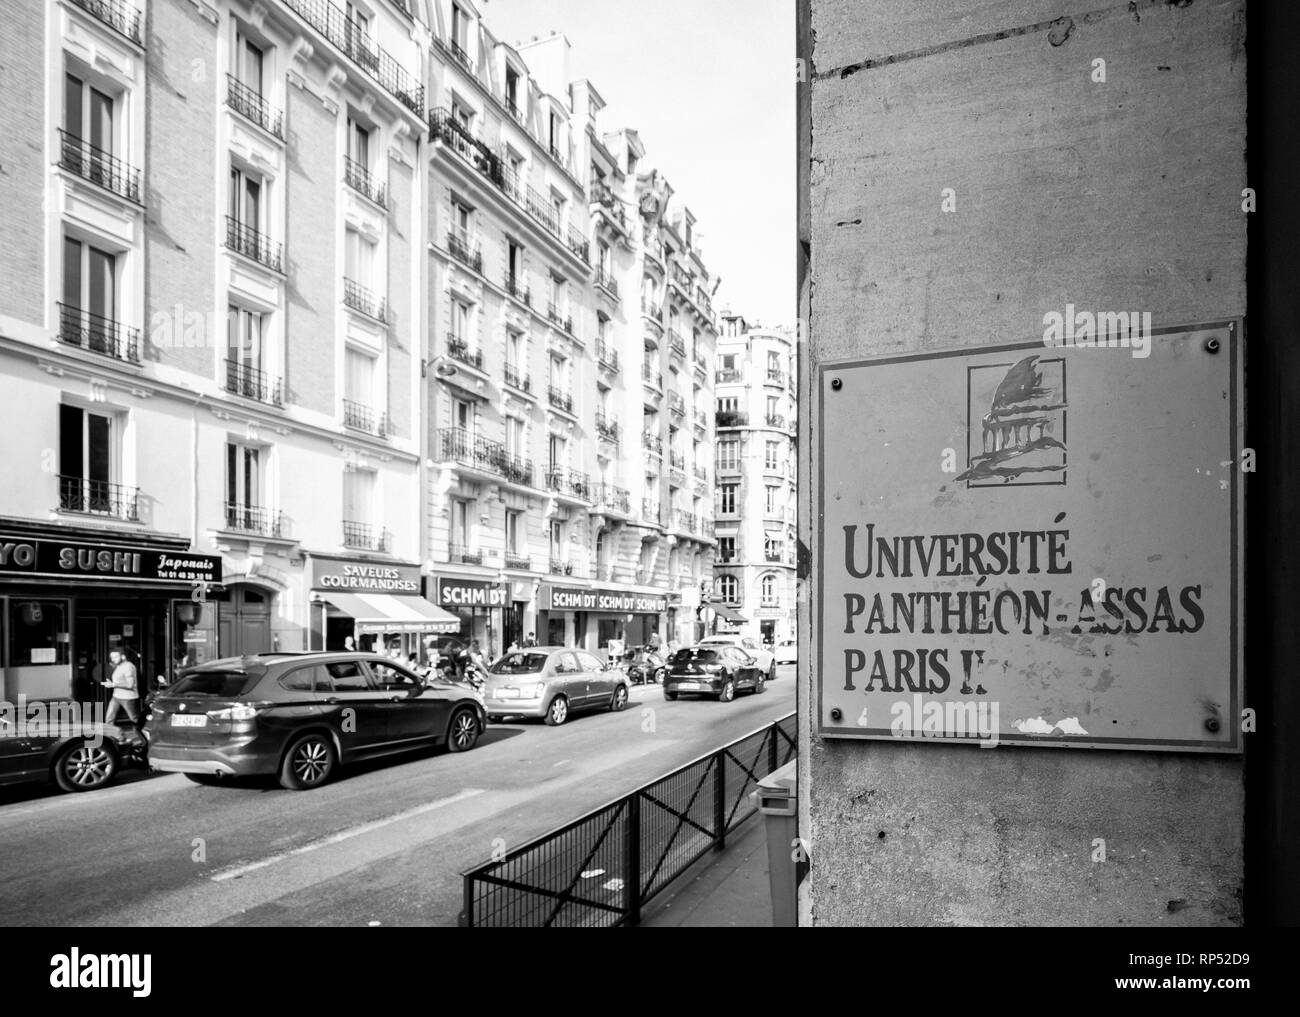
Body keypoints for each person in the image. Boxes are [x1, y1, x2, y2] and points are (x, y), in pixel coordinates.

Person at [101, 649, 142, 740]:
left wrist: (113, 685)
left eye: (115, 657)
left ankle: (144, 736)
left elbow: (130, 684)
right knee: (109, 719)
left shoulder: (129, 667)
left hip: (128, 698)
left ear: (123, 656)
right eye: (112, 657)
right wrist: (112, 683)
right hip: (116, 696)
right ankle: (117, 738)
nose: (113, 659)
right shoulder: (118, 666)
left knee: (135, 719)